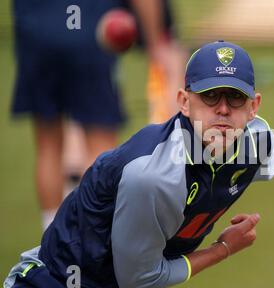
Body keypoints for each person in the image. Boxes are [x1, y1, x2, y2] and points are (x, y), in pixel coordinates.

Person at [3, 40, 274, 288]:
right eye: (209, 96)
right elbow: (139, 280)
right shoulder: (155, 176)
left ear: (253, 107)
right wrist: (223, 250)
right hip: (57, 287)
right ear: (184, 102)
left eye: (234, 98)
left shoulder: (252, 142)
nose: (222, 109)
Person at [11, 0, 169, 230]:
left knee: (47, 145)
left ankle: (52, 238)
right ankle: (88, 234)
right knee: (100, 146)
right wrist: (155, 43)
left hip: (36, 37)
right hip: (90, 35)